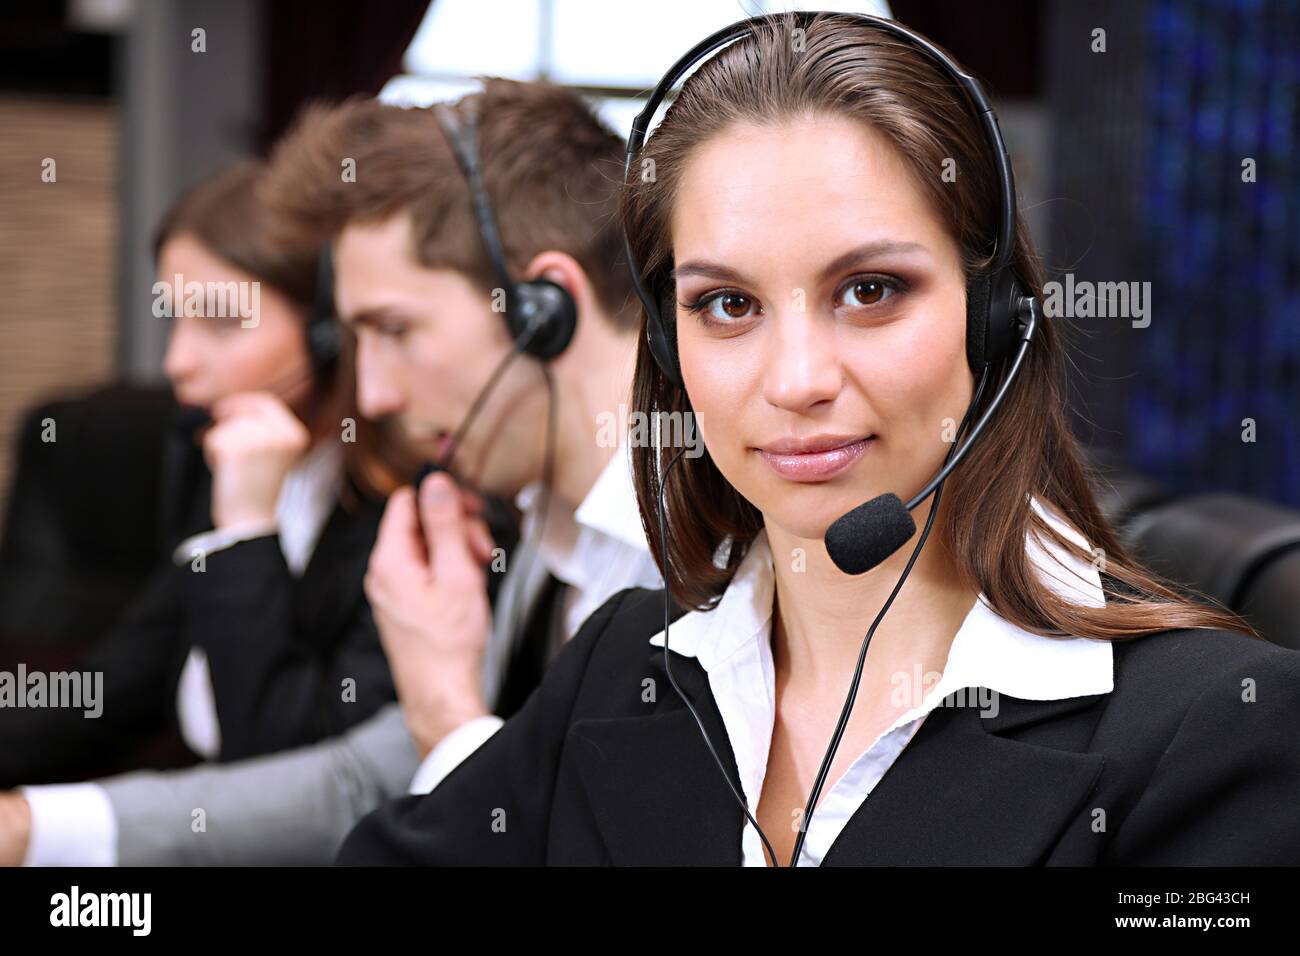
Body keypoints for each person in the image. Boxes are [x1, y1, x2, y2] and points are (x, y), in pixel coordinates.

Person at [337, 12, 1300, 867]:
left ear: (994, 316)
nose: (796, 380)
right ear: (670, 346)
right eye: (726, 304)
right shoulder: (625, 666)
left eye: (870, 290)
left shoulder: (1215, 731)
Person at [0, 80, 662, 866]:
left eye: (394, 329)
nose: (374, 392)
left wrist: (446, 703)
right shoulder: (538, 533)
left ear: (542, 308)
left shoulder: (716, 552)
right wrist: (35, 830)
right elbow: (373, 779)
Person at [0, 160, 405, 794]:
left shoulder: (407, 508)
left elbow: (285, 771)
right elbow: (132, 670)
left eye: (219, 323)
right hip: (189, 794)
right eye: (175, 319)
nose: (177, 363)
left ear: (332, 330)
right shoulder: (203, 445)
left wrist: (247, 528)